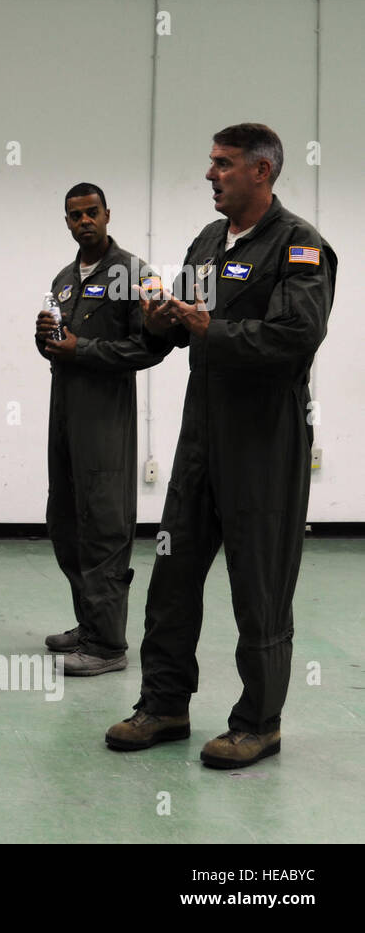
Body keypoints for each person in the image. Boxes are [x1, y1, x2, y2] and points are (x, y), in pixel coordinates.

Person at [105, 123, 335, 769]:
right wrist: (161, 320)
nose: (211, 173)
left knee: (258, 585)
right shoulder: (208, 241)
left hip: (264, 441)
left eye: (224, 164)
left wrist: (215, 328)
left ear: (261, 171)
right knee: (172, 575)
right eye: (211, 163)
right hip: (200, 437)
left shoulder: (300, 246)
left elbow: (297, 333)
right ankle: (164, 704)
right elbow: (180, 326)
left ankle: (258, 723)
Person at [35, 184, 167, 676]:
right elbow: (58, 341)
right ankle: (88, 622)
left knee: (104, 523)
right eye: (75, 215)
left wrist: (83, 351)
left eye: (92, 212)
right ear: (66, 221)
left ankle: (108, 645)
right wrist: (44, 338)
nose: (84, 221)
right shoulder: (65, 278)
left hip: (106, 419)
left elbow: (152, 347)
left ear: (108, 213)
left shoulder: (133, 274)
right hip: (64, 413)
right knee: (65, 520)